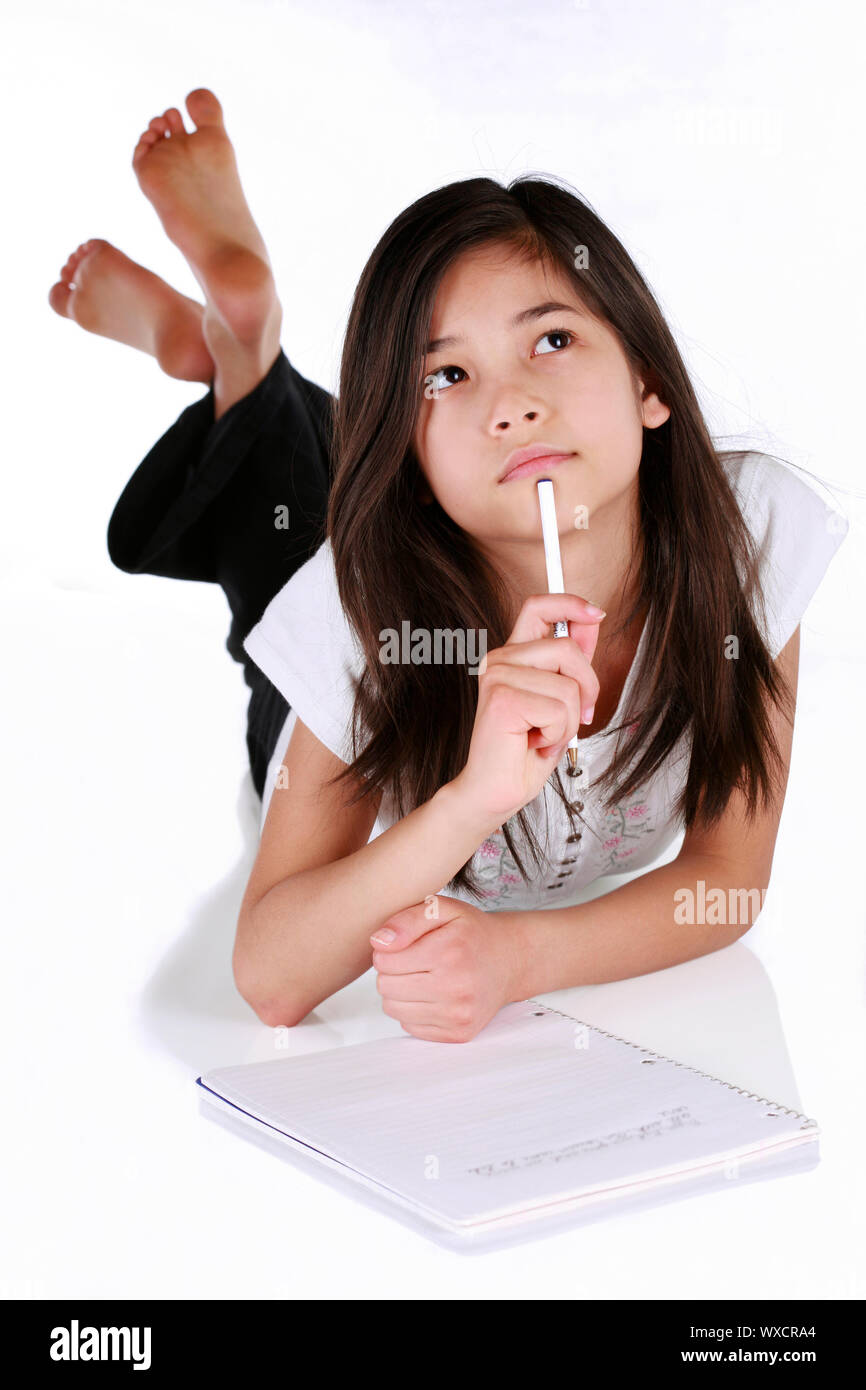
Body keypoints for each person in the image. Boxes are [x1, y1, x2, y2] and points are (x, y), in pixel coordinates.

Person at [50, 92, 849, 1045]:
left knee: (331, 471)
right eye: (447, 374)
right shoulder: (355, 614)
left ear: (650, 382)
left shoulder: (748, 538)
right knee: (282, 537)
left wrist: (522, 958)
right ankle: (243, 355)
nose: (511, 404)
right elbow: (271, 977)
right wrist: (468, 799)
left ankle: (235, 350)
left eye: (552, 339)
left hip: (412, 493)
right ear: (415, 457)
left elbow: (728, 881)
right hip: (356, 627)